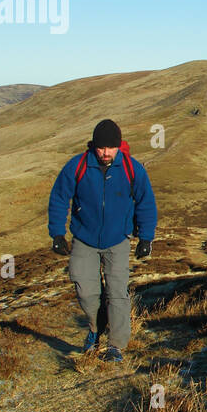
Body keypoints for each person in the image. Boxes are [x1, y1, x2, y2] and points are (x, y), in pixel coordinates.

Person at [47, 119, 158, 362]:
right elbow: (59, 198)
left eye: (110, 148)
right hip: (84, 238)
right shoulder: (77, 166)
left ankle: (115, 346)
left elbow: (146, 202)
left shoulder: (132, 169)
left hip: (117, 240)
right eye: (101, 148)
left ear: (119, 146)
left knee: (117, 291)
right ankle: (96, 329)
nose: (105, 153)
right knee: (85, 289)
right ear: (93, 146)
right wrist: (57, 233)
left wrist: (146, 238)